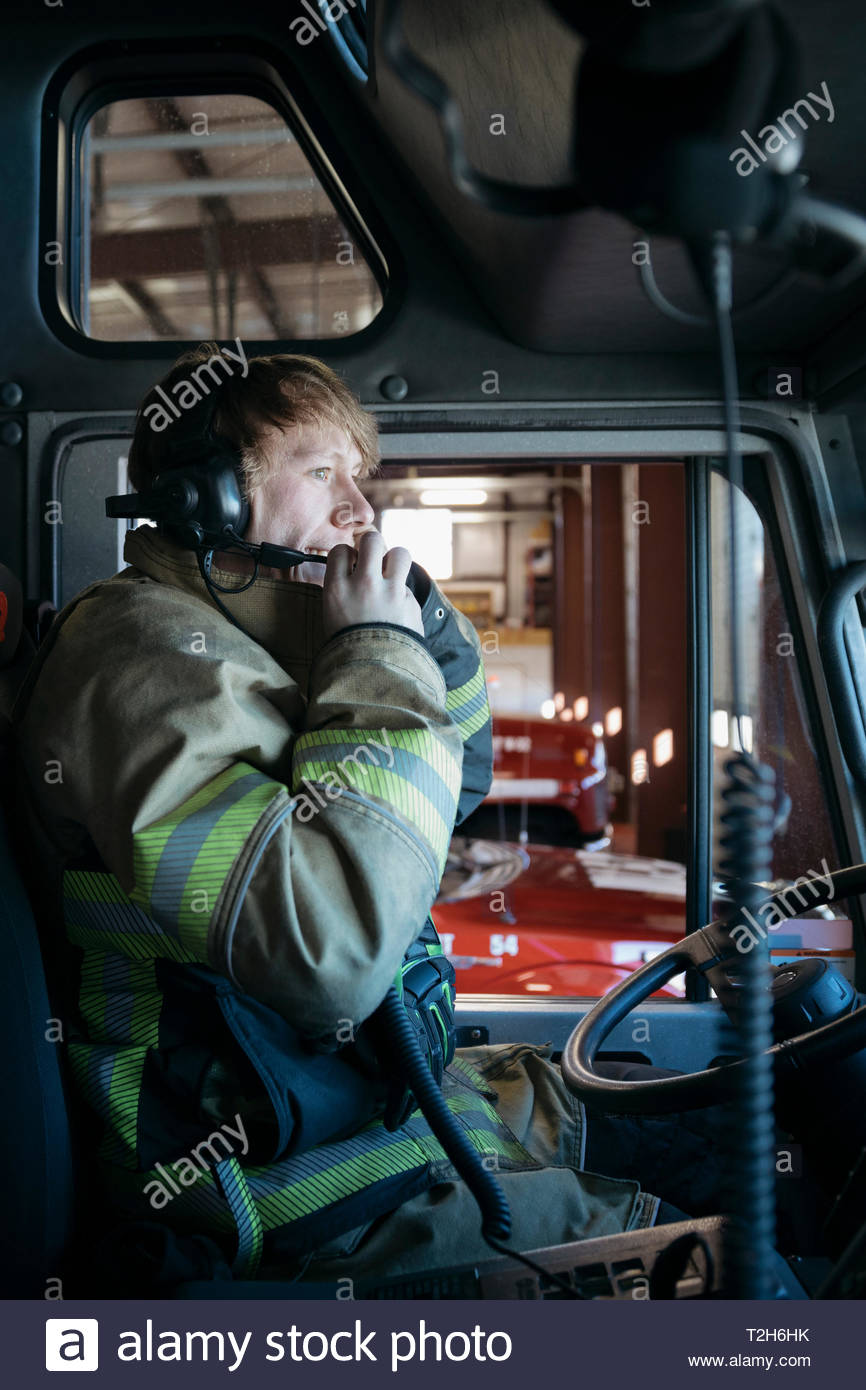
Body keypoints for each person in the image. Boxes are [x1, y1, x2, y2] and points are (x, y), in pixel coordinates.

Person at [13, 342, 724, 1295]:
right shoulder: (145, 668)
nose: (361, 509)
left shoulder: (257, 632)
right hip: (285, 1193)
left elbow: (456, 781)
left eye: (360, 477)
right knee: (735, 1278)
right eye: (321, 474)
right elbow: (330, 953)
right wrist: (374, 653)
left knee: (745, 1129)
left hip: (391, 1113)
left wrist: (420, 637)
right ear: (207, 501)